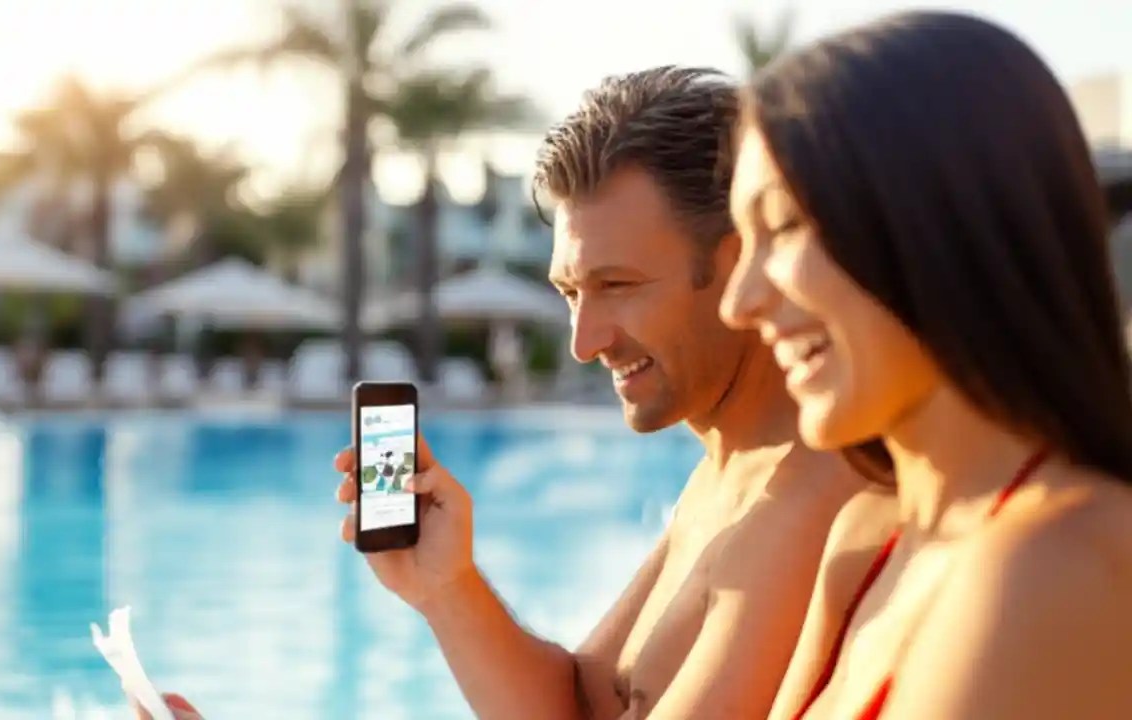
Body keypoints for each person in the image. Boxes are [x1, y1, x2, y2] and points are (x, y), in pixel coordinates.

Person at [140, 66, 883, 720]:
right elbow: (579, 704)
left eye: (616, 286)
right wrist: (448, 587)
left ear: (739, 264)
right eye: (568, 292)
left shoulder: (813, 490)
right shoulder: (730, 473)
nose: (582, 341)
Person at [719, 11, 1132, 719]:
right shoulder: (868, 546)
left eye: (783, 224)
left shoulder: (1055, 568)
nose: (739, 301)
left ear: (942, 219)